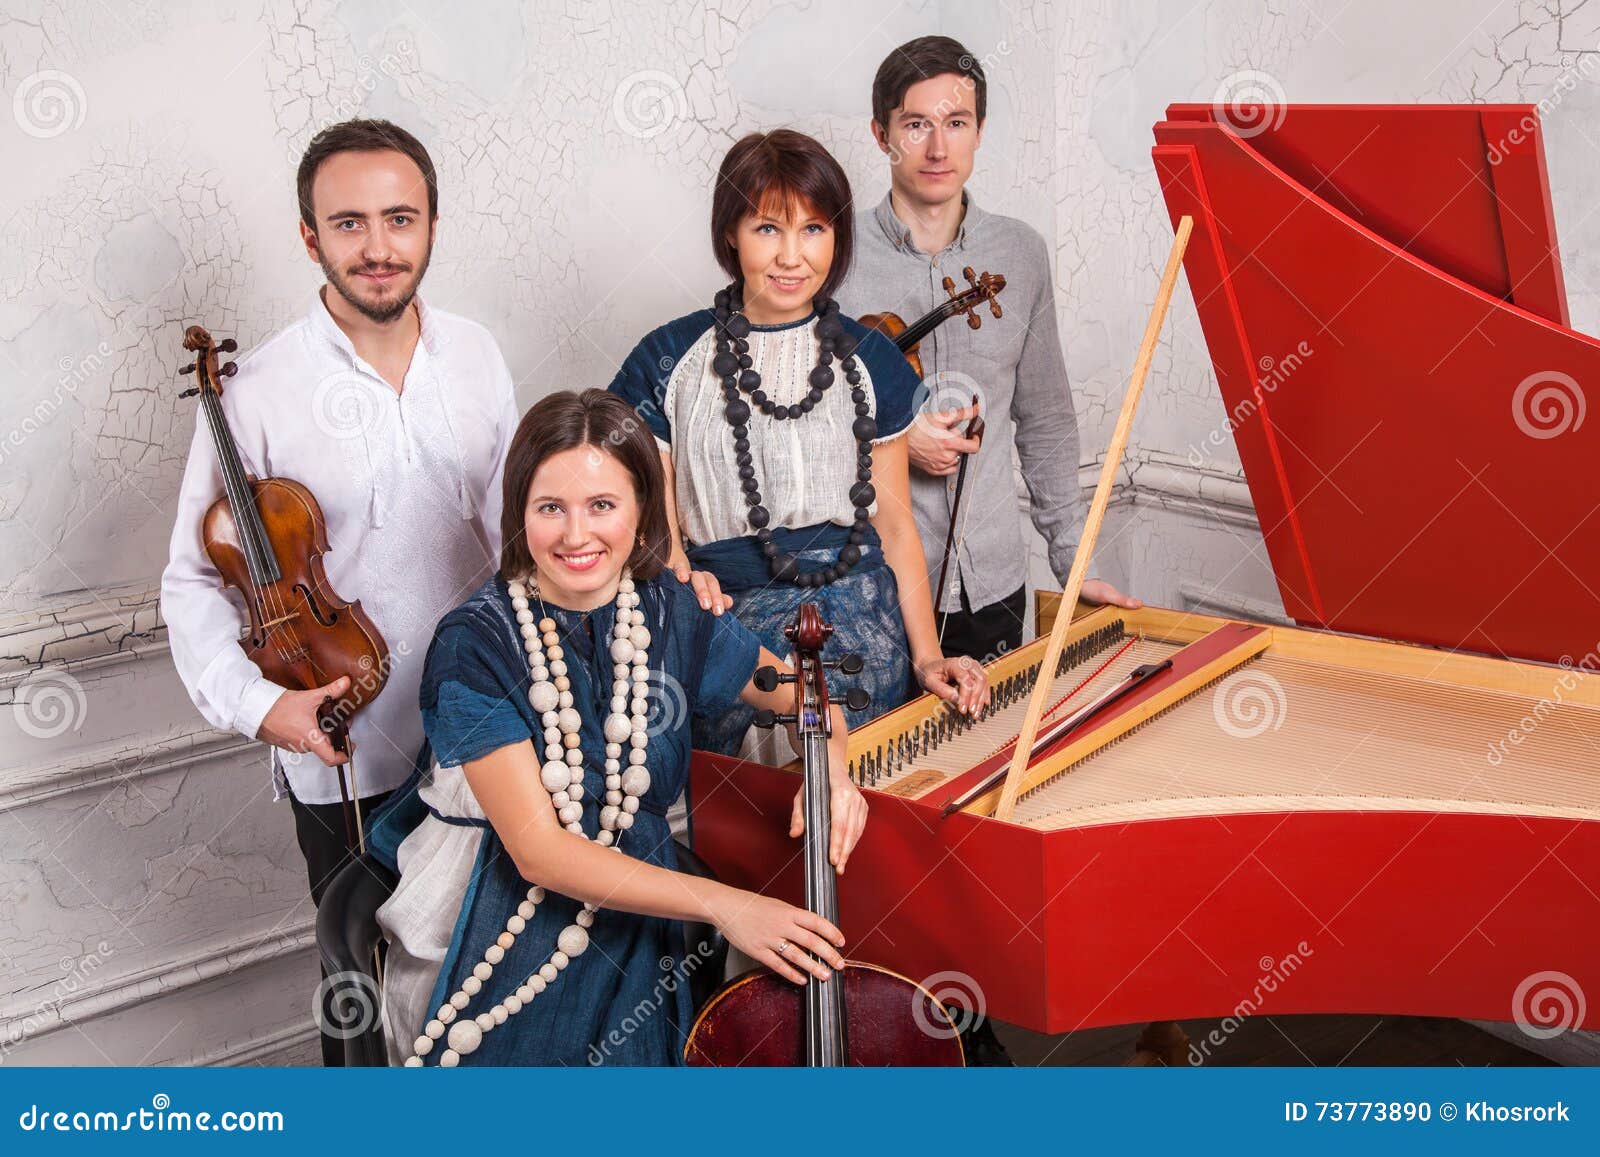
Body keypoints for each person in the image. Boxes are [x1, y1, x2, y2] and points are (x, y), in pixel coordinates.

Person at [159, 118, 518, 1066]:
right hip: (347, 741)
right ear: (310, 236)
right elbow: (193, 578)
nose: (378, 246)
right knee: (365, 992)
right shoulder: (256, 388)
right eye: (348, 223)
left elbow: (513, 535)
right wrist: (262, 706)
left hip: (486, 722)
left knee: (491, 973)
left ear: (433, 223)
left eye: (400, 218)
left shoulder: (477, 353)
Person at [371, 389, 868, 1066]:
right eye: (551, 507)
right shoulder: (474, 643)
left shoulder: (671, 608)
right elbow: (538, 852)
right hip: (495, 905)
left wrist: (831, 767)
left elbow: (807, 697)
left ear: (642, 510)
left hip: (642, 903)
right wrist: (729, 906)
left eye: (602, 504)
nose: (576, 535)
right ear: (519, 513)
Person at [608, 128, 988, 769]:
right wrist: (682, 579)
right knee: (743, 810)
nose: (792, 256)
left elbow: (896, 526)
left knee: (861, 799)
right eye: (767, 228)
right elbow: (655, 523)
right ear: (731, 233)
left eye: (813, 229)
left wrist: (927, 657)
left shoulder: (871, 359)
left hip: (863, 626)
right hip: (726, 628)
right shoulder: (666, 359)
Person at [835, 36, 1140, 668]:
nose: (937, 148)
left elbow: (1046, 416)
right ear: (881, 135)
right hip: (871, 582)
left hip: (993, 583)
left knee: (993, 733)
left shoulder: (1020, 254)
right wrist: (896, 439)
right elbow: (789, 416)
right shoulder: (831, 254)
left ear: (979, 132)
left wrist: (1073, 563)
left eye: (956, 123)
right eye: (915, 124)